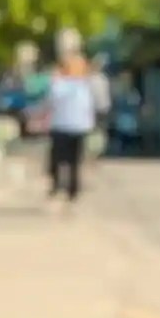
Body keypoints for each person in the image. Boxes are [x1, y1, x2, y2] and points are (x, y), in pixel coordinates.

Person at [46, 54, 96, 212]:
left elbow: (88, 106)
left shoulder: (85, 85)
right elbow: (53, 99)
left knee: (74, 161)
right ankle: (57, 186)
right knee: (58, 160)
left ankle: (72, 190)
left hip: (77, 127)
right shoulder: (60, 84)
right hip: (61, 126)